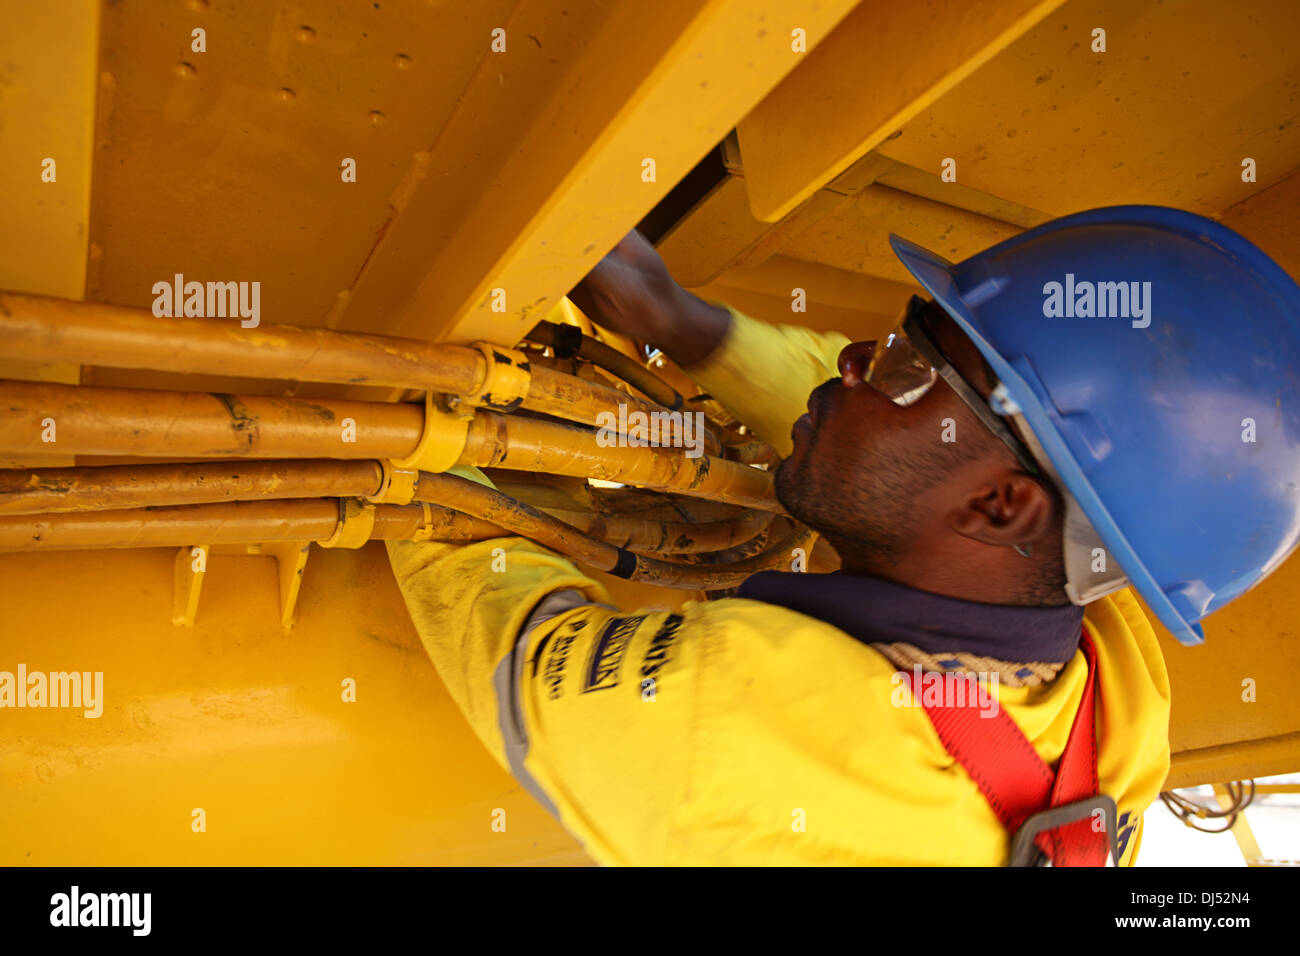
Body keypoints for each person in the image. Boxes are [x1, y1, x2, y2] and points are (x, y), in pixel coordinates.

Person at [386, 206, 1300, 865]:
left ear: (1000, 509)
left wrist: (402, 428)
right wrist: (685, 325)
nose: (856, 360)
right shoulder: (1116, 679)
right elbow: (928, 452)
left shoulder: (736, 734)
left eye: (906, 363)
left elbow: (492, 595)